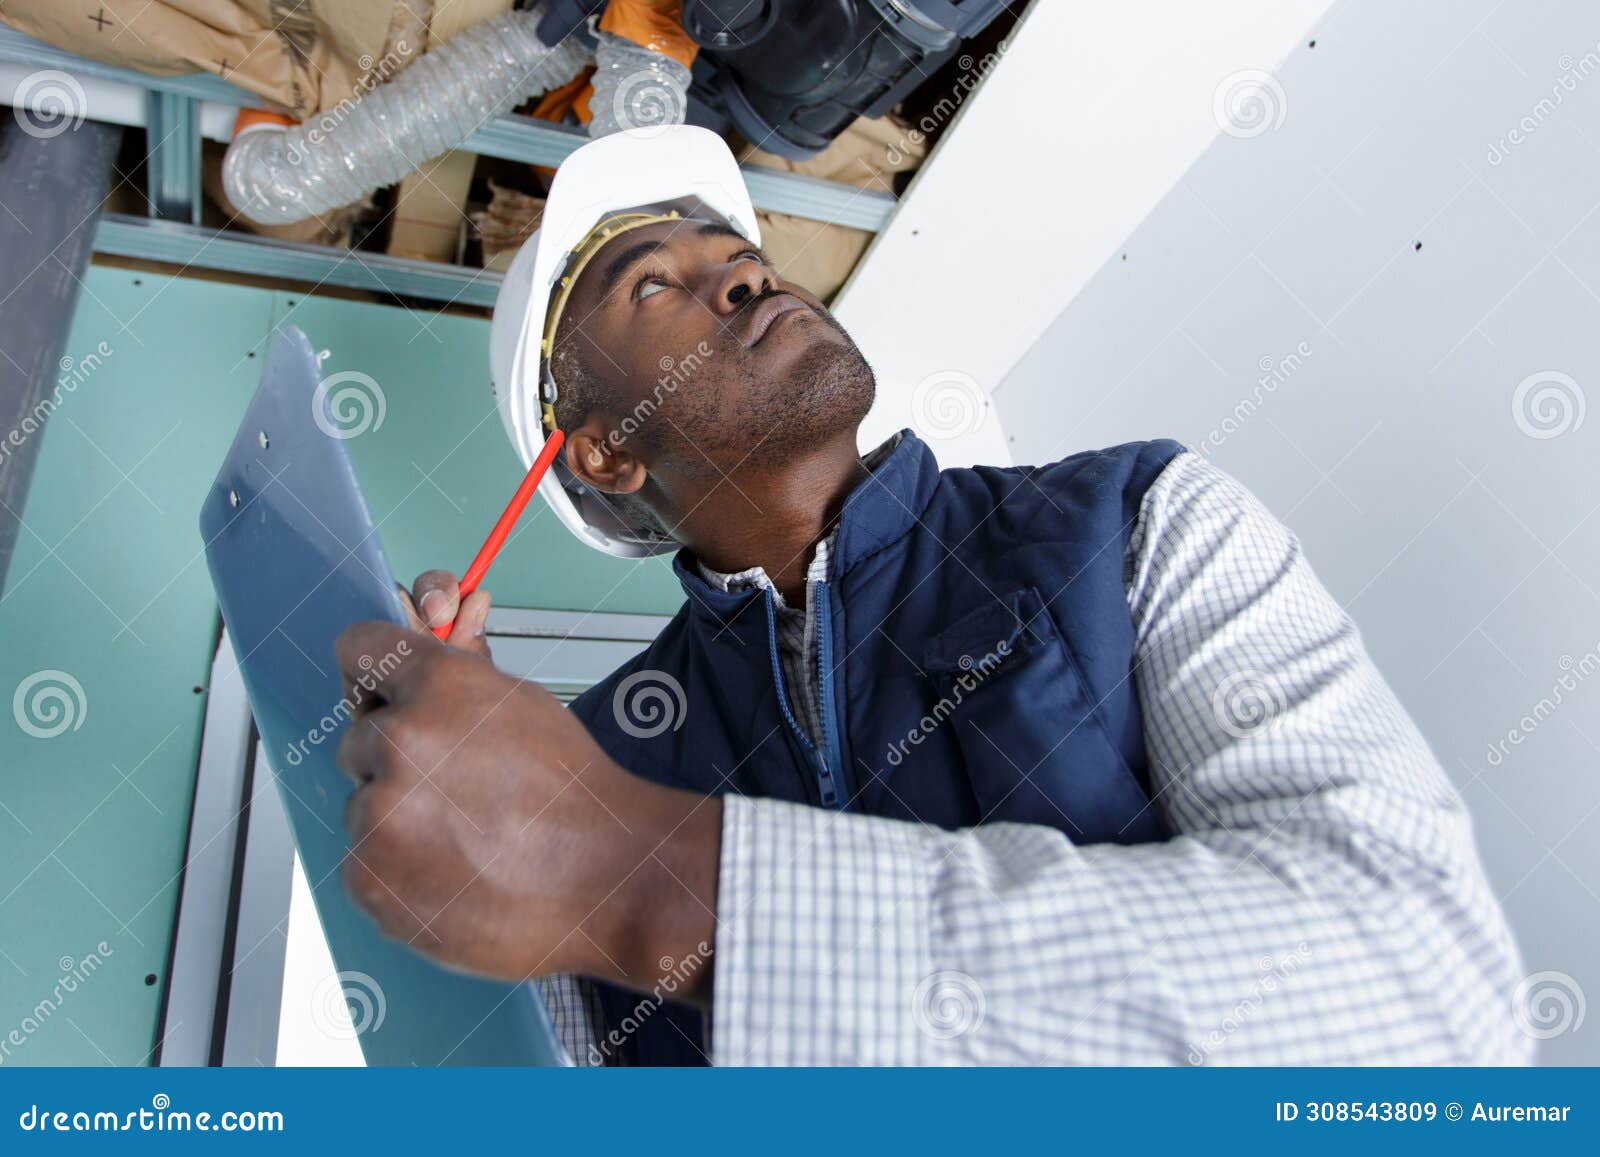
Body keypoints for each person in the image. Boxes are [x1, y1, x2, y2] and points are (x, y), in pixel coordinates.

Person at [333, 127, 1530, 1066]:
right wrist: (476, 793)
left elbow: (1423, 1002)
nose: (744, 278)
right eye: (660, 286)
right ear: (599, 453)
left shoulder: (1141, 521)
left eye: (739, 258)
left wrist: (646, 870)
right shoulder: (605, 748)